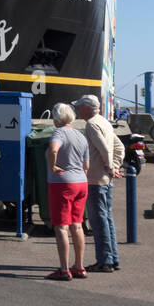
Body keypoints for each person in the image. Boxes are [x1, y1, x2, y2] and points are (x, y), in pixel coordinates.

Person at [75, 94, 124, 273]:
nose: (77, 109)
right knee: (107, 218)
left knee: (98, 220)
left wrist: (111, 167)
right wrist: (115, 167)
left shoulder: (92, 124)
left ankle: (104, 261)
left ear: (87, 108)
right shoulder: (104, 122)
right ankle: (112, 258)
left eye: (79, 106)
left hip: (96, 179)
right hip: (105, 179)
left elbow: (105, 150)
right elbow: (119, 147)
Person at [46, 103, 90, 280]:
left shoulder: (59, 133)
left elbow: (53, 150)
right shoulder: (81, 136)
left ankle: (64, 269)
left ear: (57, 119)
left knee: (61, 227)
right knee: (77, 225)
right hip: (81, 182)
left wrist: (53, 166)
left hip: (62, 183)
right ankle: (79, 266)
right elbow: (86, 165)